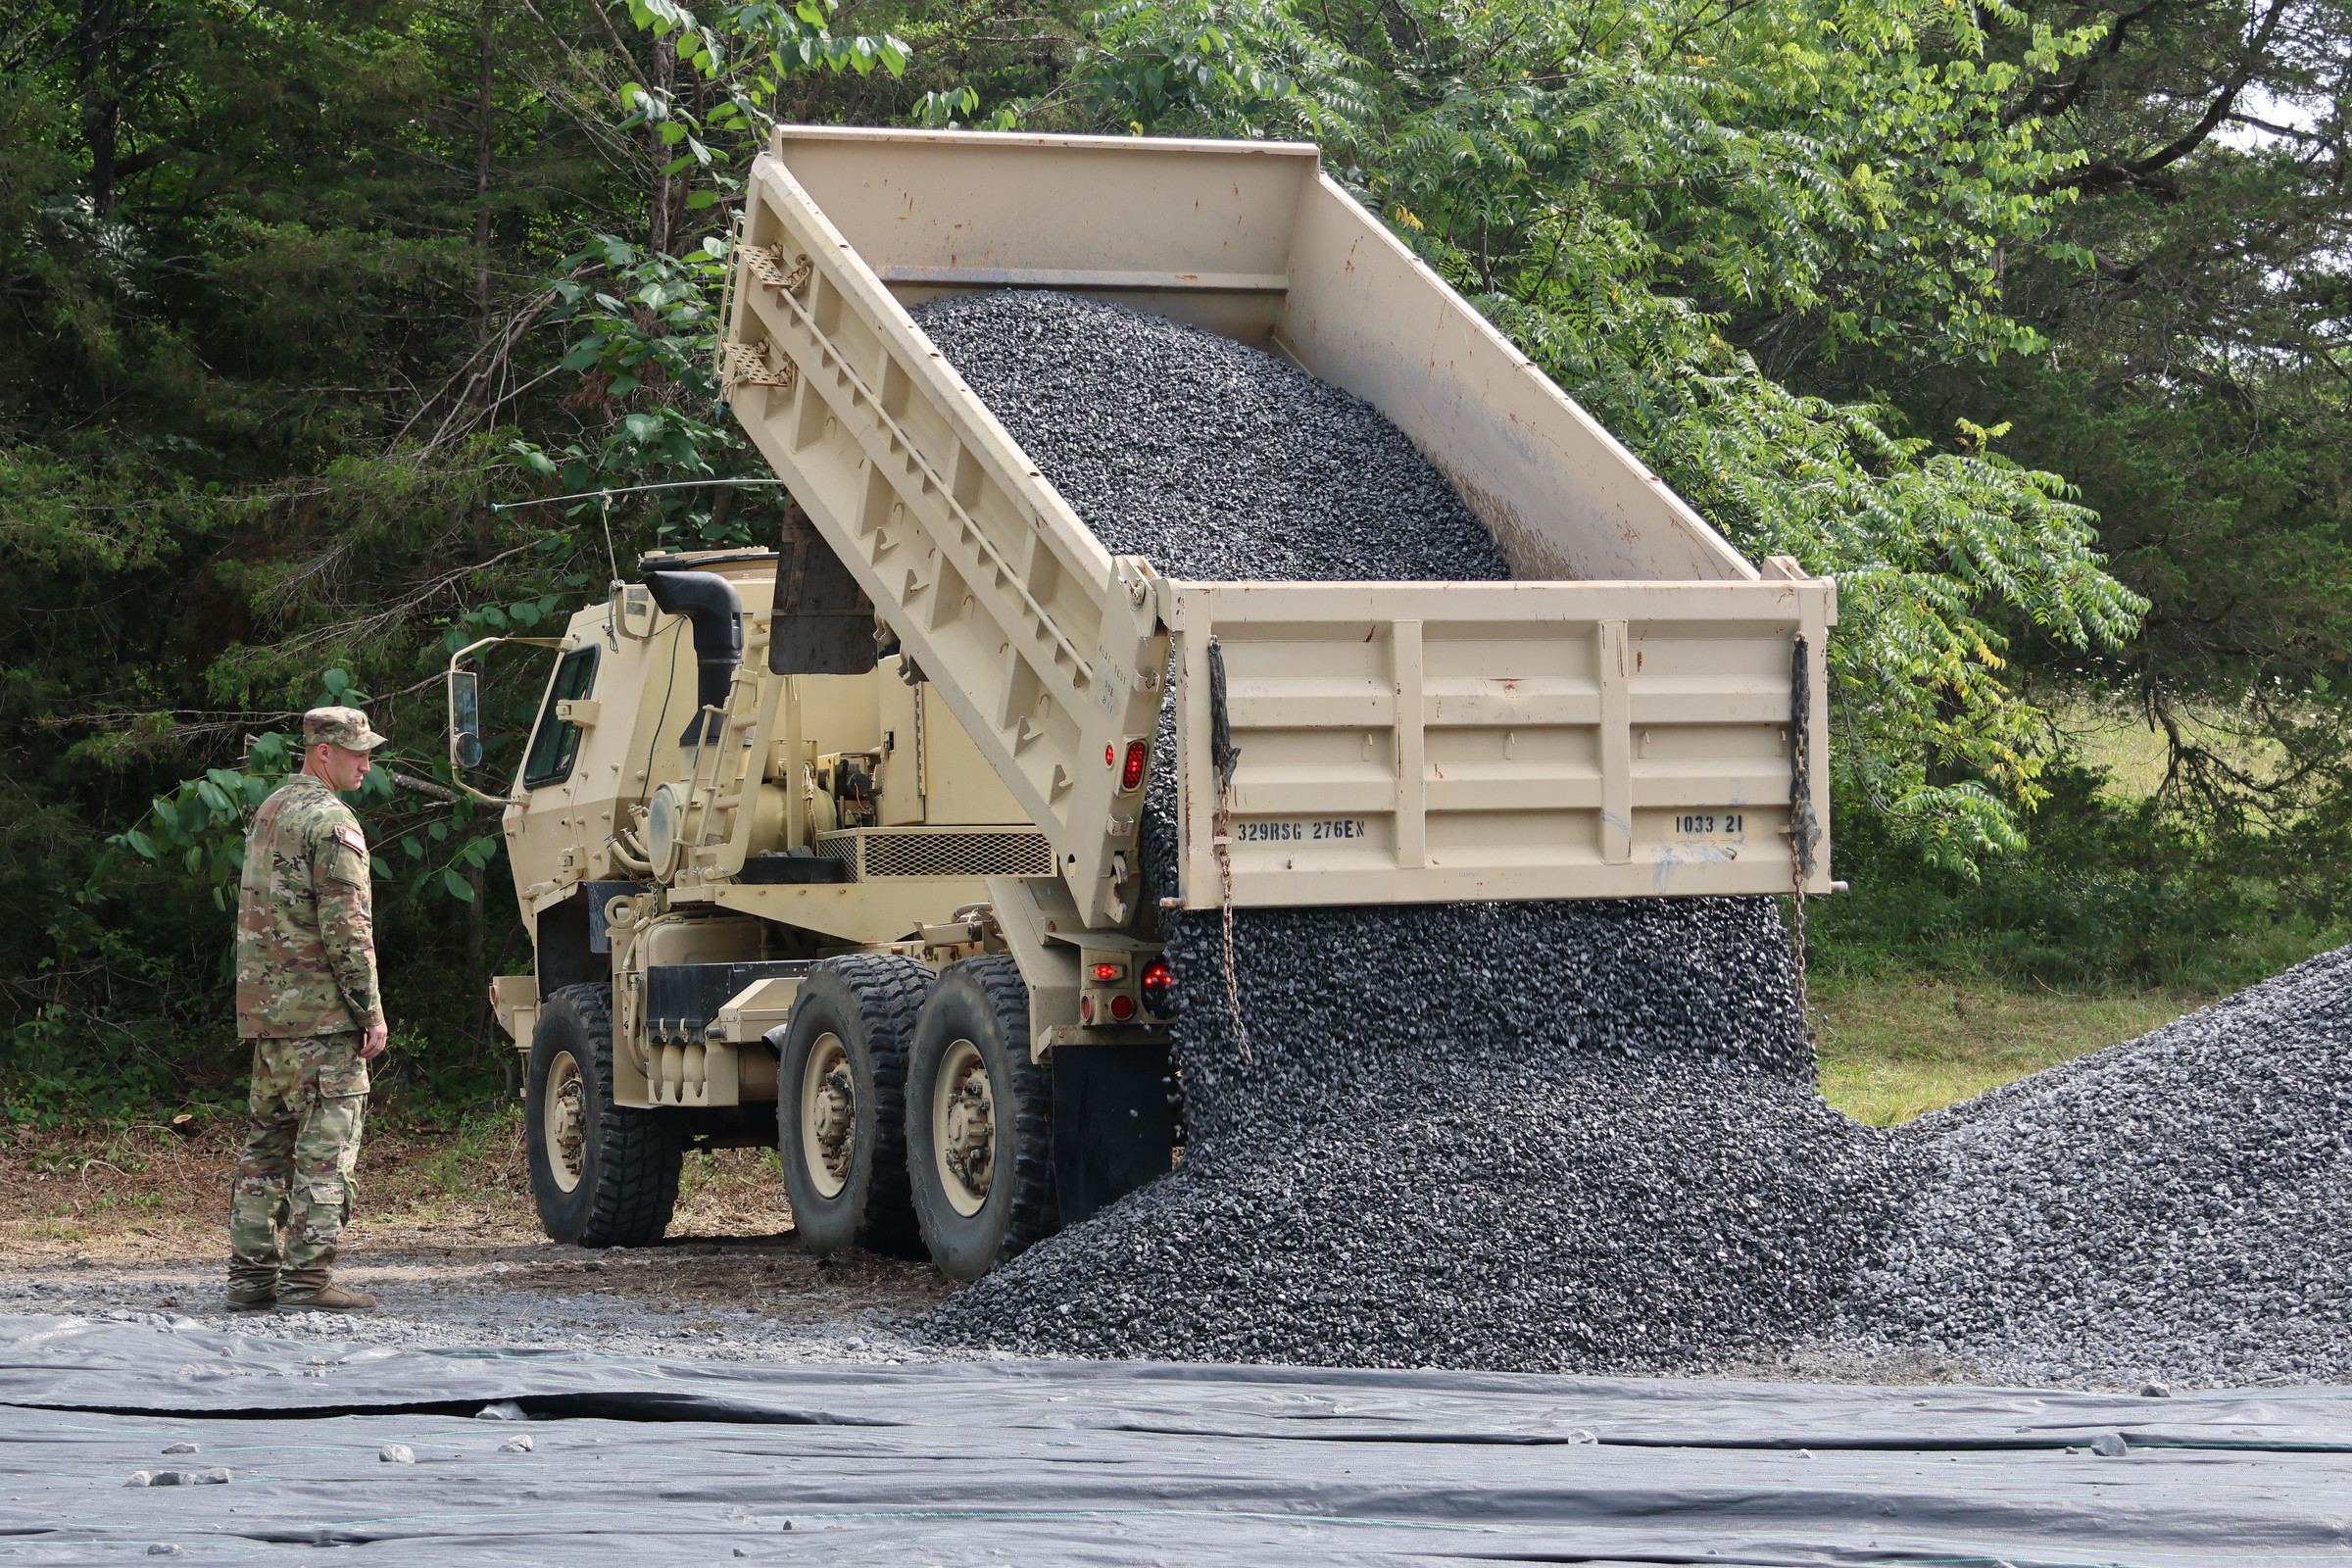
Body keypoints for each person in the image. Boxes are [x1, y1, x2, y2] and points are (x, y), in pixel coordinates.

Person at [226, 706, 391, 1312]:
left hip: (270, 1019)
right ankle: (306, 1282)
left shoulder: (270, 811)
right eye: (357, 753)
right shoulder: (332, 821)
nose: (366, 765)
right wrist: (369, 1011)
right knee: (325, 1155)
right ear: (324, 752)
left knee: (265, 1152)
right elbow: (348, 927)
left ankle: (249, 1282)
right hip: (321, 1020)